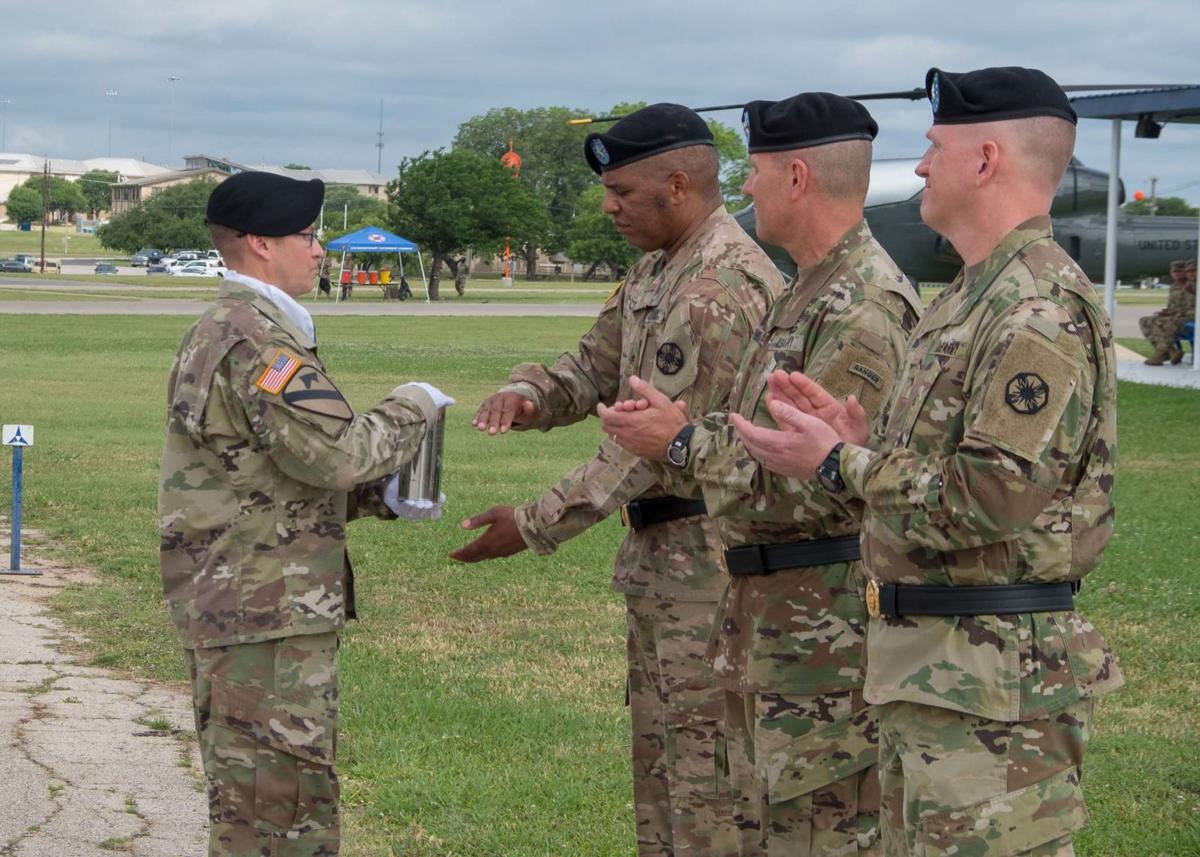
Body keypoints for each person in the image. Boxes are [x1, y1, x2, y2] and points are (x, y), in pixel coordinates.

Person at [724, 67, 1124, 856]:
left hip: (992, 689)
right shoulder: (970, 297)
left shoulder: (1035, 309)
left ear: (985, 161)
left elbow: (986, 499)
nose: (916, 168)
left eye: (933, 148)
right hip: (936, 674)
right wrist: (857, 438)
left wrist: (842, 461)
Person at [450, 103, 785, 856]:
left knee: (710, 788)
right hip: (667, 567)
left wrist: (534, 522)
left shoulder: (716, 286)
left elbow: (643, 446)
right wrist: (530, 393)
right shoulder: (659, 270)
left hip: (712, 567)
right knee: (664, 773)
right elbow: (592, 368)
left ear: (678, 184)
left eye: (623, 193)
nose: (608, 207)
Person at [599, 93, 922, 856]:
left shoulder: (862, 307)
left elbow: (808, 474)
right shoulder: (805, 293)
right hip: (774, 619)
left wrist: (679, 443)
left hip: (822, 629)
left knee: (819, 832)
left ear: (799, 177)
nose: (744, 189)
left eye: (758, 172)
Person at [159, 171, 451, 856]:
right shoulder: (258, 340)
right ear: (261, 243)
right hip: (266, 611)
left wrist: (387, 498)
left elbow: (265, 473)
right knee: (279, 811)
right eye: (307, 235)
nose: (319, 250)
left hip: (244, 601)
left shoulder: (224, 328)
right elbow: (338, 457)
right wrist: (414, 403)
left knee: (256, 800)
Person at [1139, 259, 1191, 364]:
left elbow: (1191, 307)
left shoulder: (1193, 286)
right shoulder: (1174, 287)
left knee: (1167, 324)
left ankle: (1160, 354)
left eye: (1179, 271)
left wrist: (1173, 313)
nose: (1176, 274)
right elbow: (1172, 306)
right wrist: (1166, 311)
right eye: (1174, 272)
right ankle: (1171, 351)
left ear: (1185, 272)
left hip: (1188, 317)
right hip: (1175, 316)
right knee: (1145, 321)